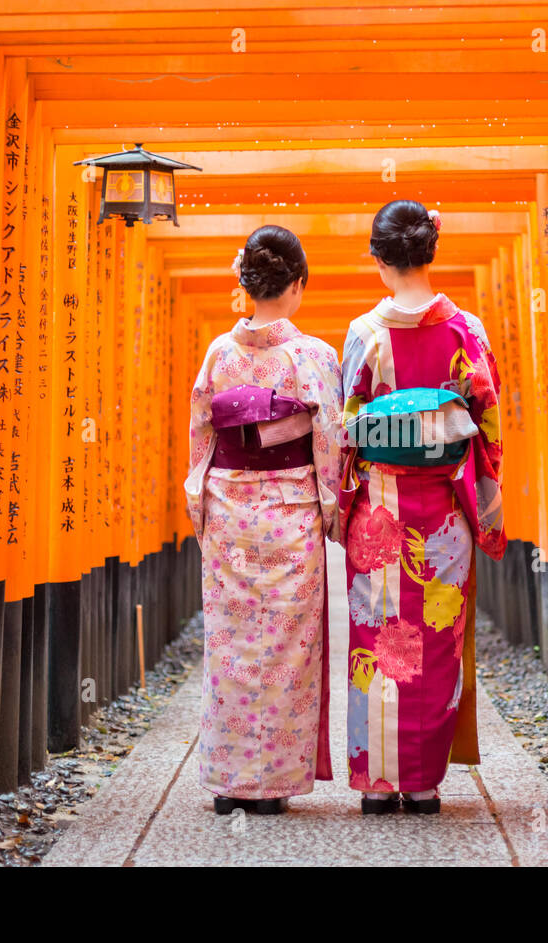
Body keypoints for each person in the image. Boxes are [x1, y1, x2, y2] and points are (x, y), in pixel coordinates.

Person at [339, 200, 505, 814]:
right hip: (441, 516)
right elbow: (486, 429)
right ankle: (425, 782)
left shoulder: (365, 334)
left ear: (380, 259)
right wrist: (483, 503)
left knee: (377, 637)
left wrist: (341, 502)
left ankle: (377, 783)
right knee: (435, 641)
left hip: (380, 512)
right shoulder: (467, 330)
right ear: (430, 251)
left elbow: (347, 426)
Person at [185, 225, 343, 815]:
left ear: (246, 283)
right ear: (298, 285)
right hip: (289, 509)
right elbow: (330, 441)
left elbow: (201, 440)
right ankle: (270, 783)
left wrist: (201, 508)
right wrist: (332, 511)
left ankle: (230, 782)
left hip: (228, 508)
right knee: (284, 644)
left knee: (229, 641)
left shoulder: (218, 355)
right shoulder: (314, 357)